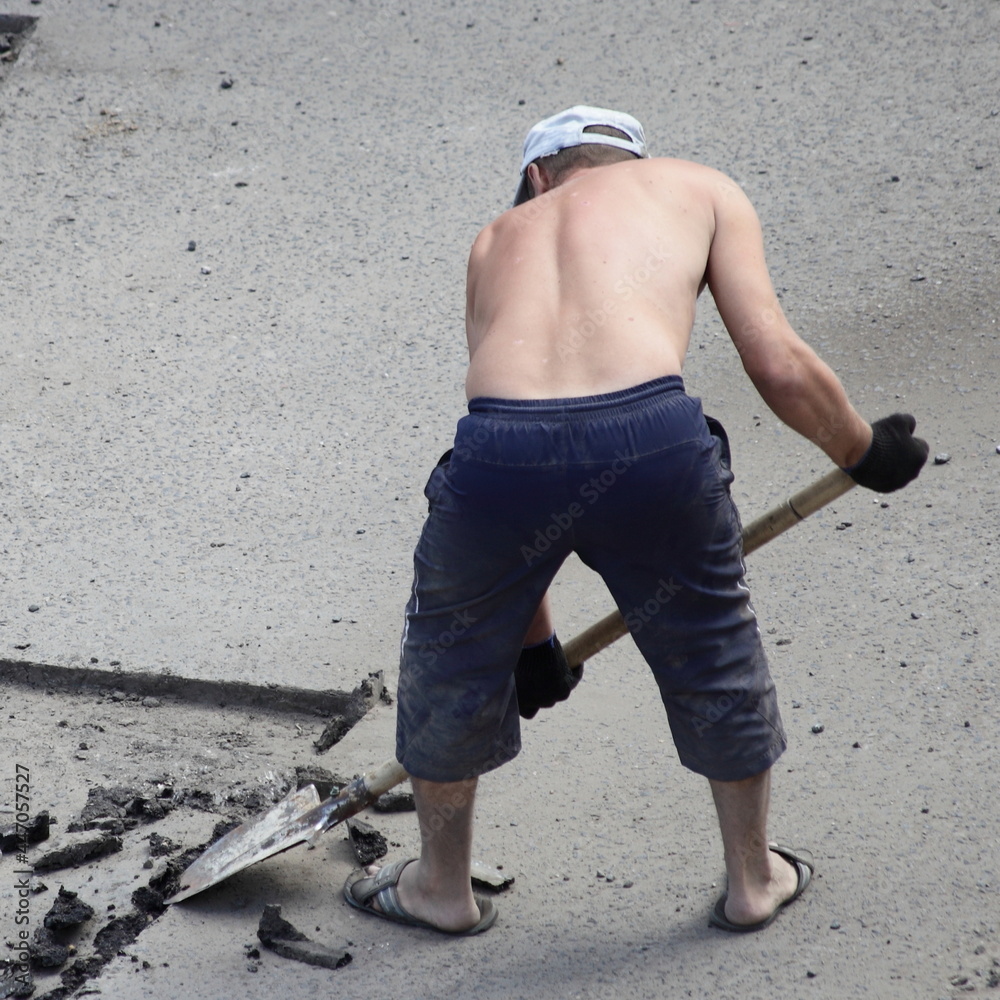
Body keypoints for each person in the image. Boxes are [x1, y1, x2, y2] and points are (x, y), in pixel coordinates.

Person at [343, 106, 928, 936]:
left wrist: (530, 643)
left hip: (499, 459)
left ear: (537, 177)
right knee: (712, 647)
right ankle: (753, 880)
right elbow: (776, 362)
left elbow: (516, 428)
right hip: (651, 443)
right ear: (634, 163)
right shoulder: (697, 189)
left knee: (449, 659)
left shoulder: (495, 238)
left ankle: (440, 889)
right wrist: (864, 449)